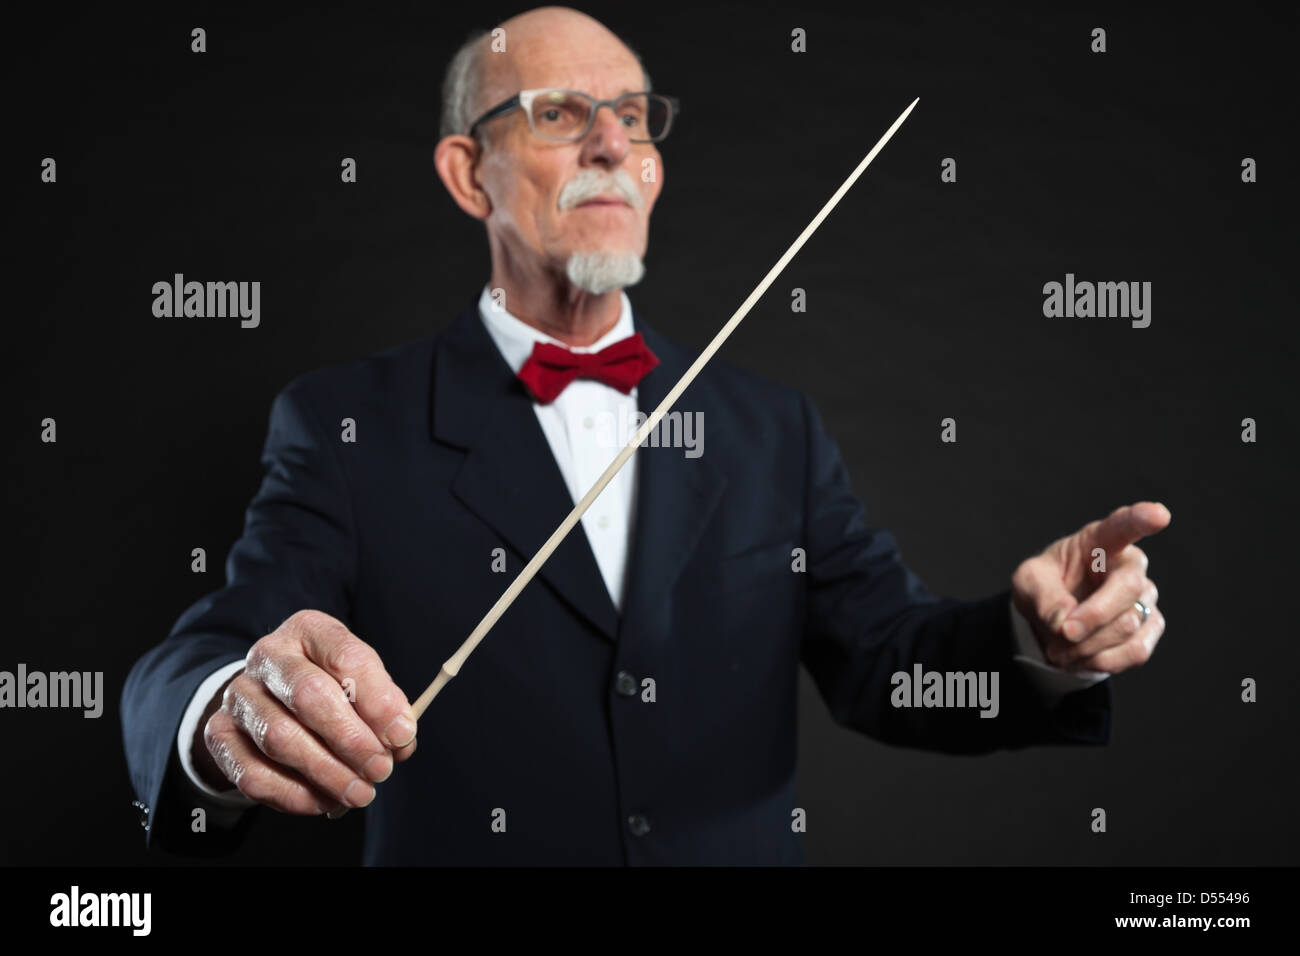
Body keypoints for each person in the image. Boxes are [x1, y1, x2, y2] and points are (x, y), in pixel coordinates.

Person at [121, 6, 1170, 865]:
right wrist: (227, 714)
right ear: (465, 172)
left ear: (655, 173)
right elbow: (211, 651)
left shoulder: (770, 428)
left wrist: (1036, 642)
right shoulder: (346, 424)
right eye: (559, 112)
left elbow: (891, 666)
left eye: (631, 115)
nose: (613, 143)